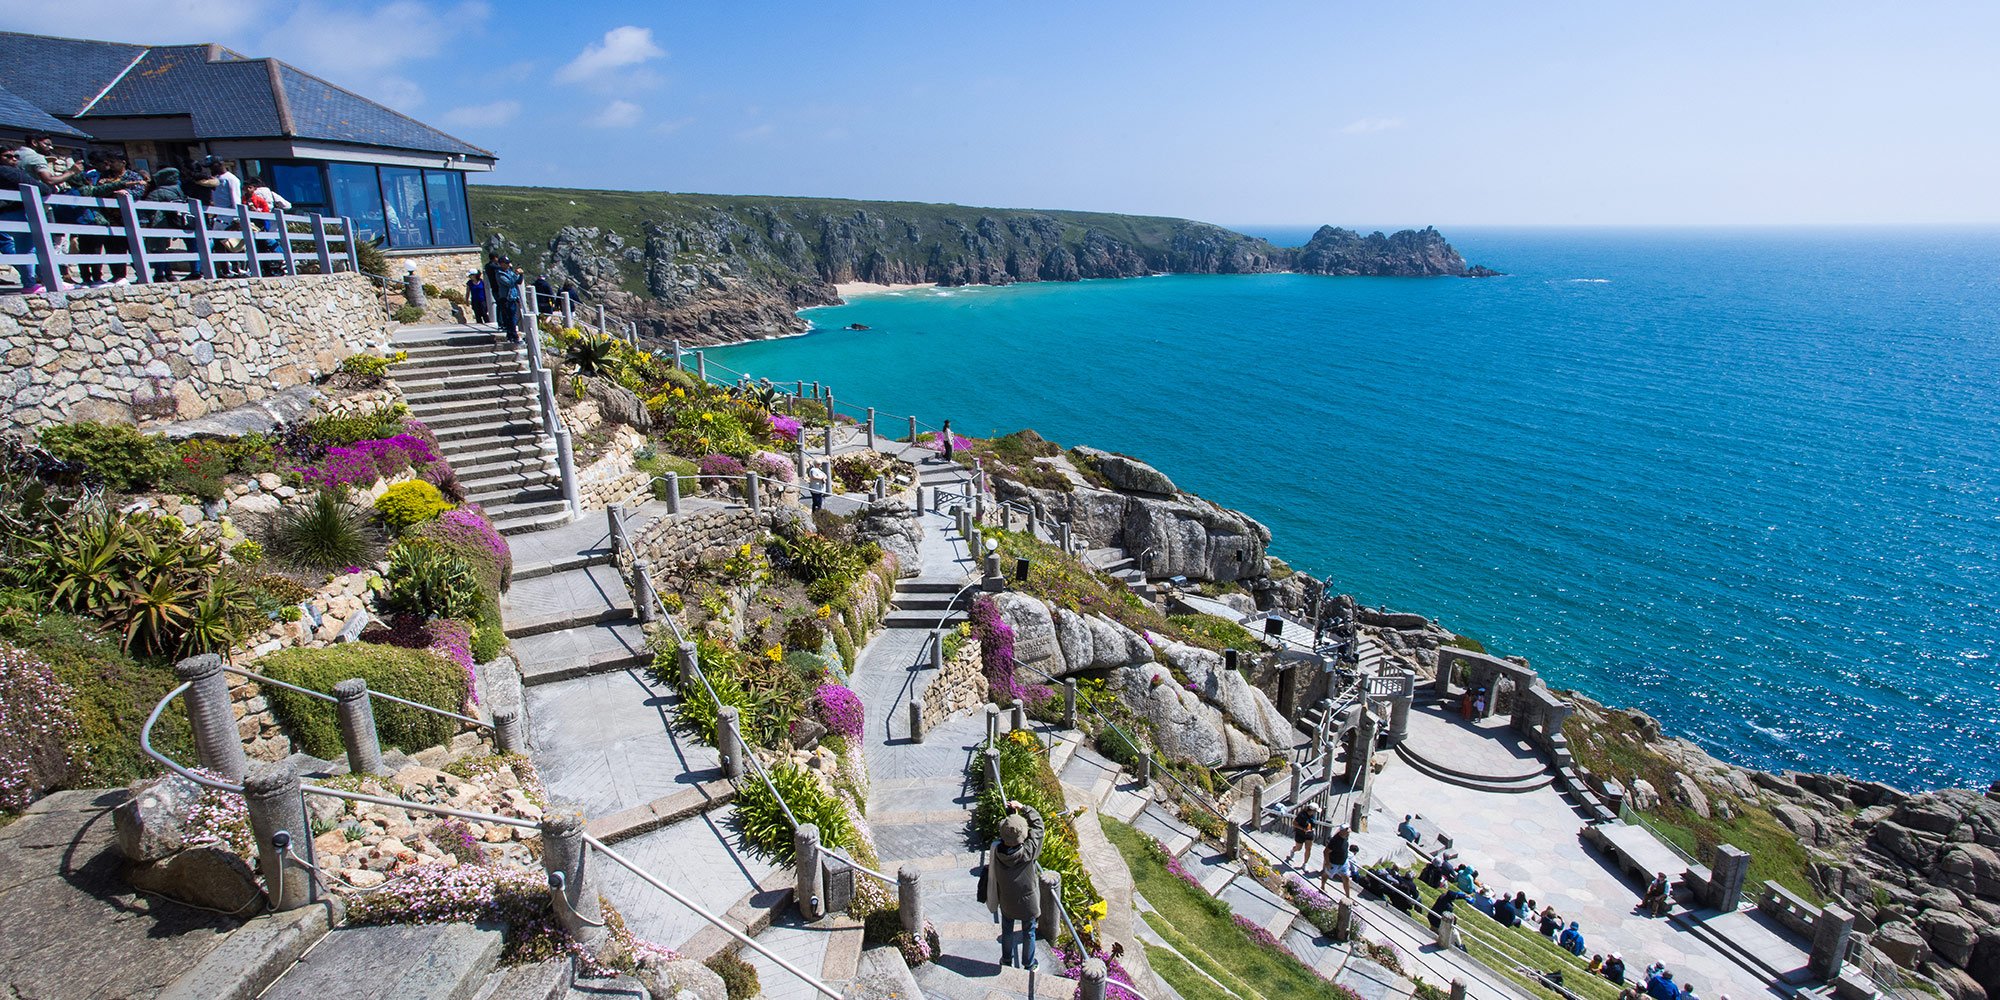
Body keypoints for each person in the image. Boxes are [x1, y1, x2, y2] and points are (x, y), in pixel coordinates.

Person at [980, 799, 1044, 969]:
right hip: (1027, 902)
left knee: (1007, 929)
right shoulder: (1029, 851)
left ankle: (1006, 961)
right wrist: (1022, 807)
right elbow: (1038, 826)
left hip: (1007, 899)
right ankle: (1029, 964)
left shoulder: (997, 849)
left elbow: (1005, 829)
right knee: (1028, 931)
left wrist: (1011, 818)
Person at [0, 147, 50, 292]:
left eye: (15, 156)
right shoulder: (7, 171)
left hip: (6, 213)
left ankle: (41, 279)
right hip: (12, 212)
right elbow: (41, 188)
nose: (14, 159)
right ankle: (31, 283)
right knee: (28, 248)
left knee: (11, 246)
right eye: (8, 156)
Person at [138, 168, 186, 281]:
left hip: (158, 223)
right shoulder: (177, 189)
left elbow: (147, 208)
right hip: (170, 223)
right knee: (162, 248)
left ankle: (160, 274)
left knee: (157, 249)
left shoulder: (158, 192)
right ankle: (169, 273)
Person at [491, 256, 523, 341]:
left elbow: (518, 282)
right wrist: (515, 274)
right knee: (510, 317)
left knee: (512, 317)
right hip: (505, 298)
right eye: (507, 263)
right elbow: (510, 283)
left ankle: (511, 335)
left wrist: (521, 275)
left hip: (513, 297)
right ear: (501, 264)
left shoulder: (509, 272)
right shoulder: (499, 274)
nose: (509, 265)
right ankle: (514, 336)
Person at [1284, 803, 1319, 868]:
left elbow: (1313, 823)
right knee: (1298, 848)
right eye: (1315, 811)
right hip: (1300, 833)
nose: (1315, 813)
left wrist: (1312, 829)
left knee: (1308, 849)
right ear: (1311, 810)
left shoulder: (1313, 815)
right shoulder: (1301, 815)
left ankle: (1305, 864)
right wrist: (1303, 829)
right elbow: (1294, 823)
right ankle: (1293, 851)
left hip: (1309, 834)